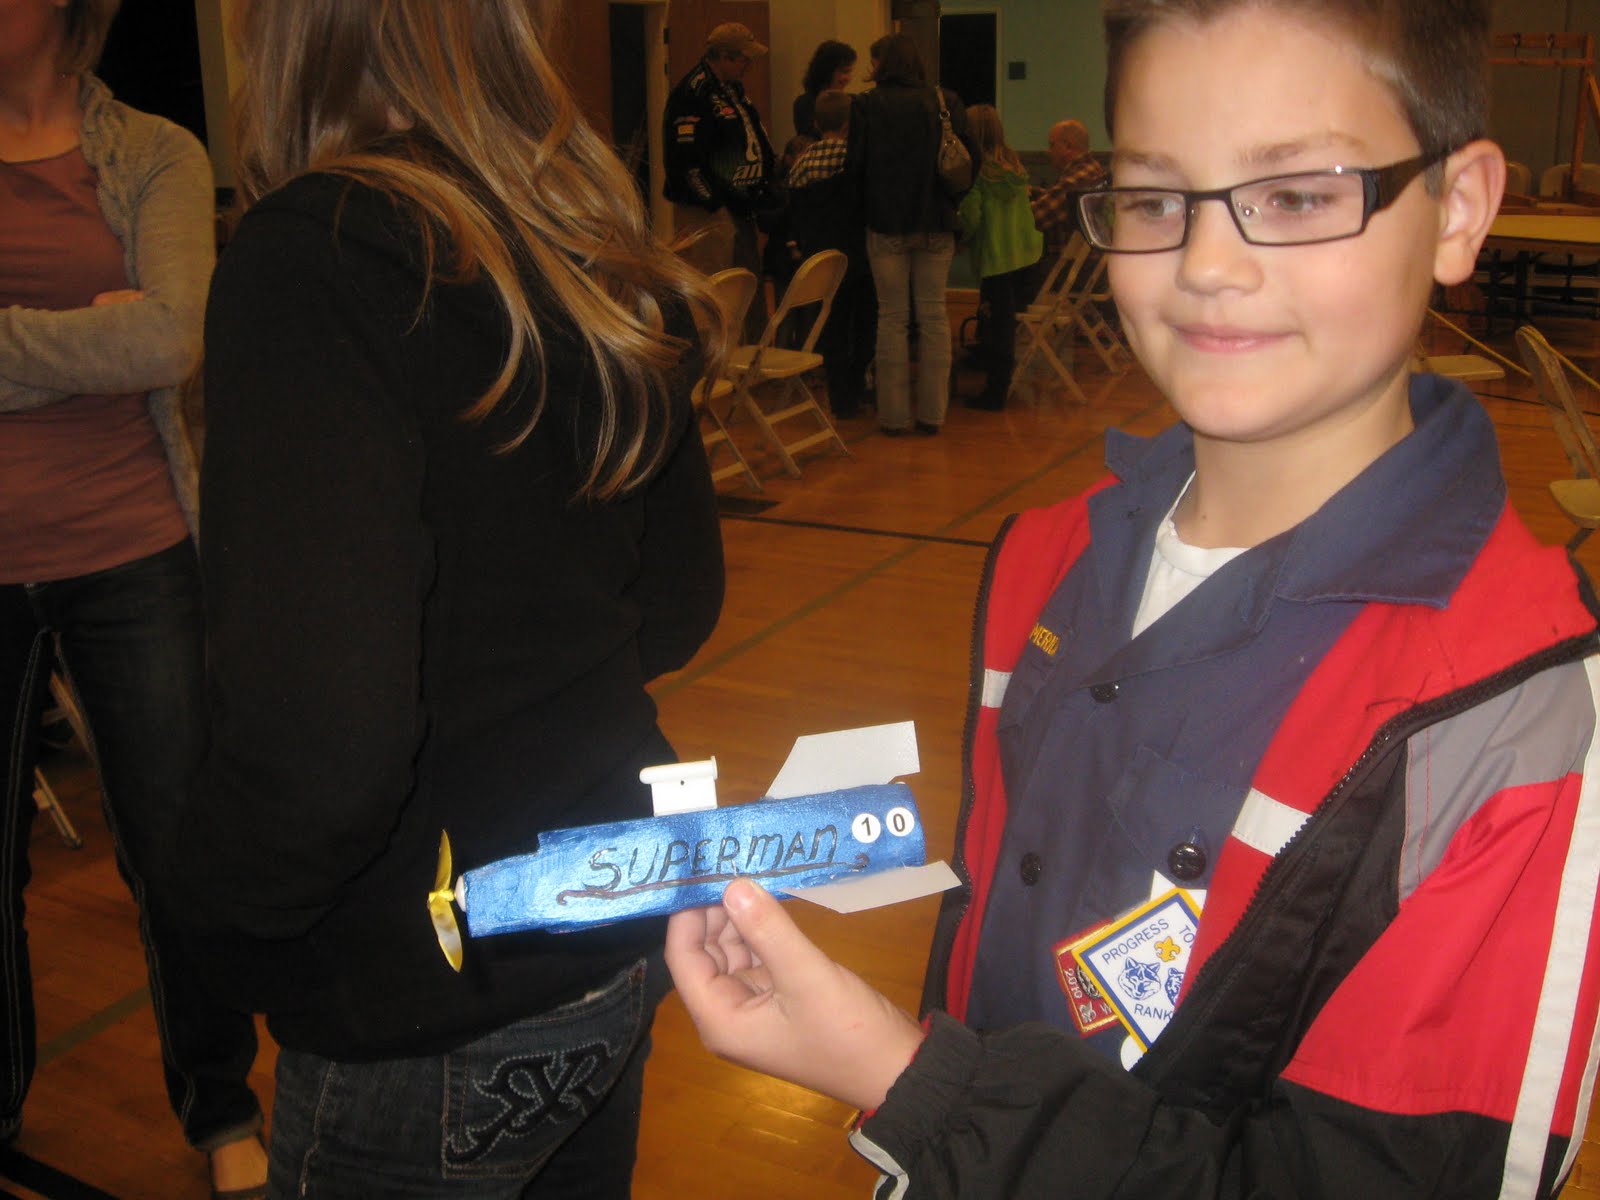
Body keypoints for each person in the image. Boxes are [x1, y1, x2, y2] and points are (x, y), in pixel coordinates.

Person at [666, 2, 1600, 1196]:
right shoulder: (1042, 559)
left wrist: (911, 1081)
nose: (1206, 266)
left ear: (1458, 209)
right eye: (1156, 199)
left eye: (1301, 194)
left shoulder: (1511, 708)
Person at [172, 1, 724, 1196]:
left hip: (432, 986)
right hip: (618, 923)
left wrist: (202, 914)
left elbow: (322, 747)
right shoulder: (586, 235)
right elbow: (677, 603)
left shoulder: (308, 262)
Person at [0, 1, 267, 1195]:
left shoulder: (156, 151)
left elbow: (170, 341)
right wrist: (77, 337)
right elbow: (126, 336)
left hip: (133, 544)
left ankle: (221, 1109)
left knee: (174, 851)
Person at [851, 32, 974, 436]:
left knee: (893, 319)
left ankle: (893, 416)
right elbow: (968, 163)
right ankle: (932, 415)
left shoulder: (867, 106)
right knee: (934, 316)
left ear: (884, 63)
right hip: (937, 221)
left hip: (886, 223)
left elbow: (856, 167)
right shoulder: (946, 101)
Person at [664, 21, 775, 340]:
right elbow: (685, 159)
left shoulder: (733, 90)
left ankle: (751, 355)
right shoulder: (693, 91)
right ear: (724, 56)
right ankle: (718, 361)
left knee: (747, 280)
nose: (749, 65)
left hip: (740, 203)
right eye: (743, 58)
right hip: (710, 208)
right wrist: (711, 203)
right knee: (719, 285)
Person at [787, 89, 875, 419]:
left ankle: (840, 398)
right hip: (859, 255)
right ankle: (859, 383)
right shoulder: (855, 160)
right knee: (865, 323)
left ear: (814, 122)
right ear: (852, 124)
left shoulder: (802, 165)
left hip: (820, 261)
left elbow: (794, 214)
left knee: (833, 327)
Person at [957, 104, 1043, 411]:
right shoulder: (1014, 166)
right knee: (1006, 325)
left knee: (996, 327)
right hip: (1025, 255)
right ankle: (1001, 383)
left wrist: (959, 235)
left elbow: (971, 216)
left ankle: (994, 393)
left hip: (995, 260)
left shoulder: (977, 172)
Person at [1029, 118, 1107, 261]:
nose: (1048, 151)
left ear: (1068, 147)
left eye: (1052, 145)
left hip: (1071, 270)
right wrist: (1033, 191)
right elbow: (1058, 198)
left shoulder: (1078, 179)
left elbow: (1036, 217)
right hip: (1084, 266)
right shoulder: (1090, 170)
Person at [793, 39, 856, 139]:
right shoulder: (805, 104)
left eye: (849, 72)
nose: (848, 79)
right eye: (844, 72)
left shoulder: (854, 102)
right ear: (827, 71)